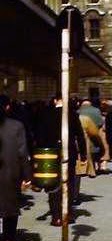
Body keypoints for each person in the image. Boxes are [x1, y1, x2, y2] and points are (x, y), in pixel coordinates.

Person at [35, 95, 87, 226]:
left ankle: (55, 216)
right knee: (68, 184)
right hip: (69, 153)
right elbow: (80, 135)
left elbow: (39, 136)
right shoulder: (72, 114)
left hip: (50, 154)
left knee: (53, 185)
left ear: (54, 101)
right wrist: (84, 154)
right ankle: (67, 213)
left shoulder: (45, 114)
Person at [0, 95, 28, 241]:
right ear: (8, 107)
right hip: (11, 172)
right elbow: (22, 152)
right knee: (10, 207)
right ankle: (9, 240)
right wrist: (27, 175)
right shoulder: (16, 126)